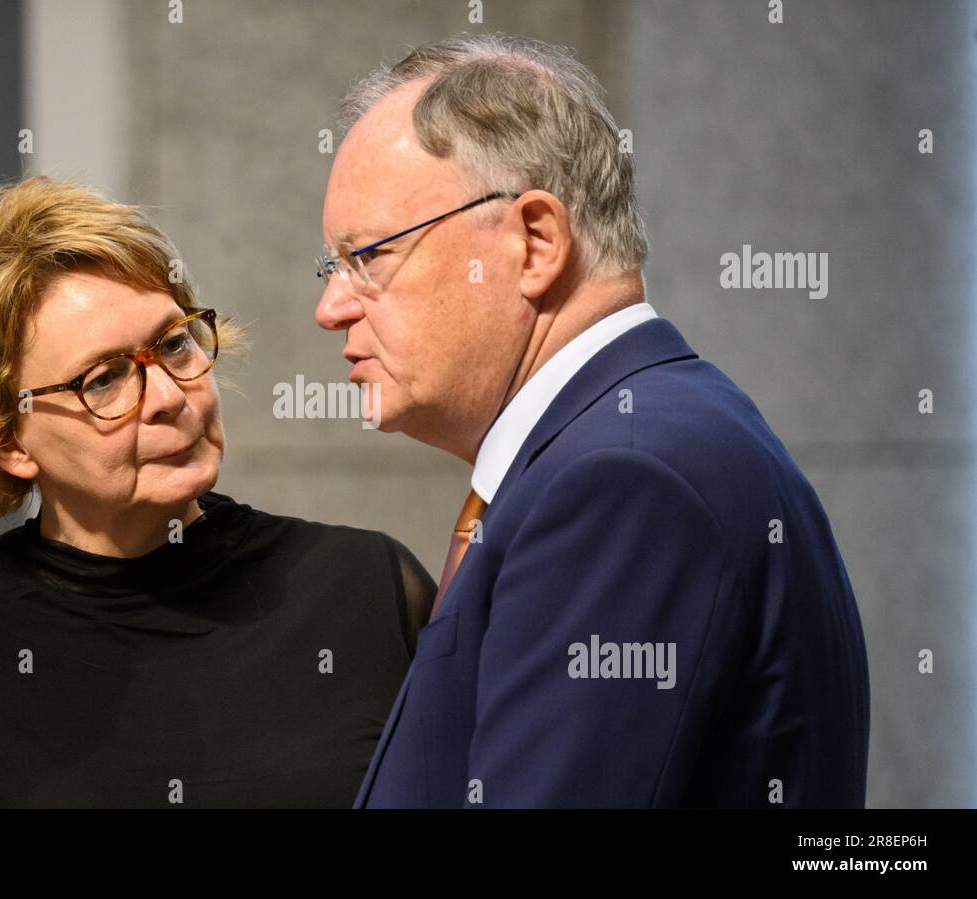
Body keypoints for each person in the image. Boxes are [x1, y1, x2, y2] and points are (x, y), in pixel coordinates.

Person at [314, 33, 870, 808]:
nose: (330, 307)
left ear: (535, 242)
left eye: (366, 258)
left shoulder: (624, 479)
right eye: (331, 268)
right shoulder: (639, 440)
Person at [0, 175, 435, 808]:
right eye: (103, 380)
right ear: (7, 443)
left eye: (174, 344)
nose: (167, 398)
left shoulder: (368, 589)